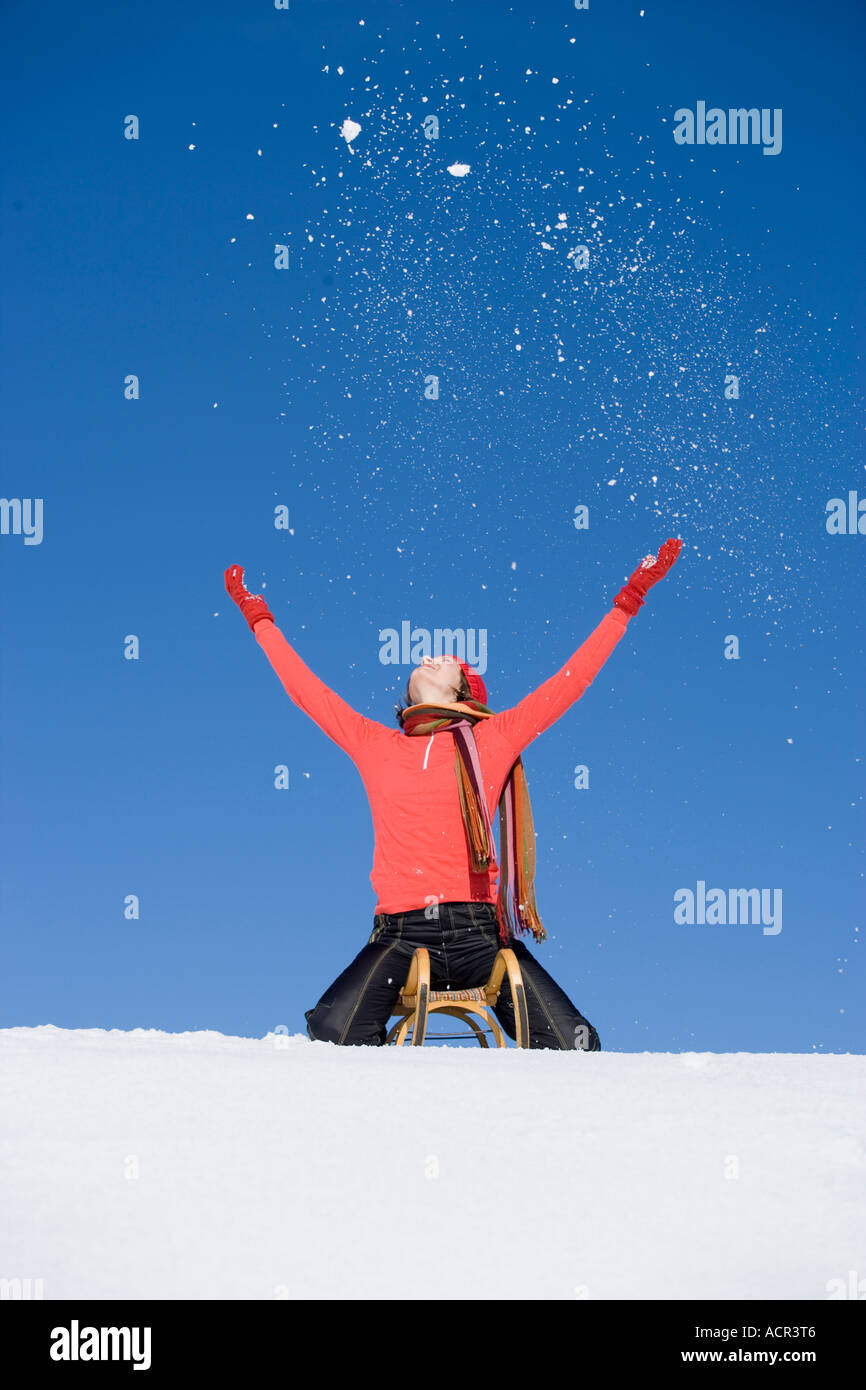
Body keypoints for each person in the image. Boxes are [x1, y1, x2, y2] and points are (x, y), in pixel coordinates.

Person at [224, 539, 682, 1049]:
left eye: (443, 661)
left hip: (479, 937)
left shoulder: (493, 740)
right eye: (427, 657)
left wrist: (629, 600)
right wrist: (258, 618)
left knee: (574, 1043)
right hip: (399, 937)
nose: (426, 658)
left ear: (464, 692)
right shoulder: (374, 743)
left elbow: (570, 682)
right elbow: (306, 689)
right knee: (332, 1030)